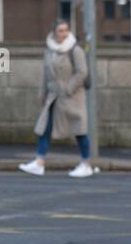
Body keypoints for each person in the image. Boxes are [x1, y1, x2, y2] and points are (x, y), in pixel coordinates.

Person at [19, 20, 97, 178]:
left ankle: (86, 164)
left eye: (66, 30)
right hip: (53, 96)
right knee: (44, 128)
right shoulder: (49, 50)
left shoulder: (75, 50)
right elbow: (45, 74)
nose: (64, 33)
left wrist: (68, 88)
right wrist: (42, 94)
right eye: (61, 30)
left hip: (72, 98)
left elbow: (82, 72)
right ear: (54, 32)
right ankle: (39, 163)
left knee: (79, 131)